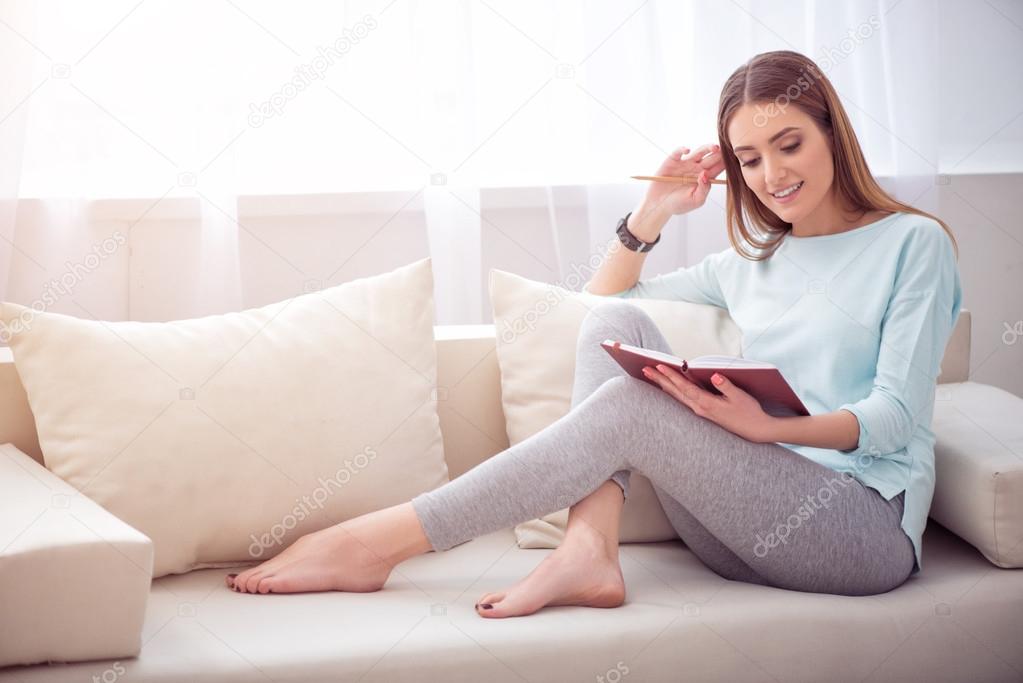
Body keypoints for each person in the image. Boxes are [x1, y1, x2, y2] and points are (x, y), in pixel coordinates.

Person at [225, 49, 963, 619]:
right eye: (748, 159)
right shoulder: (754, 258)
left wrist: (771, 430)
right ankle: (588, 547)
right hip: (740, 531)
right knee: (615, 325)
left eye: (788, 145)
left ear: (833, 132)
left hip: (857, 533)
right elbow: (600, 301)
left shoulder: (912, 244)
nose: (770, 174)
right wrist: (652, 214)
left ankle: (378, 541)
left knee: (632, 408)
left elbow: (896, 415)